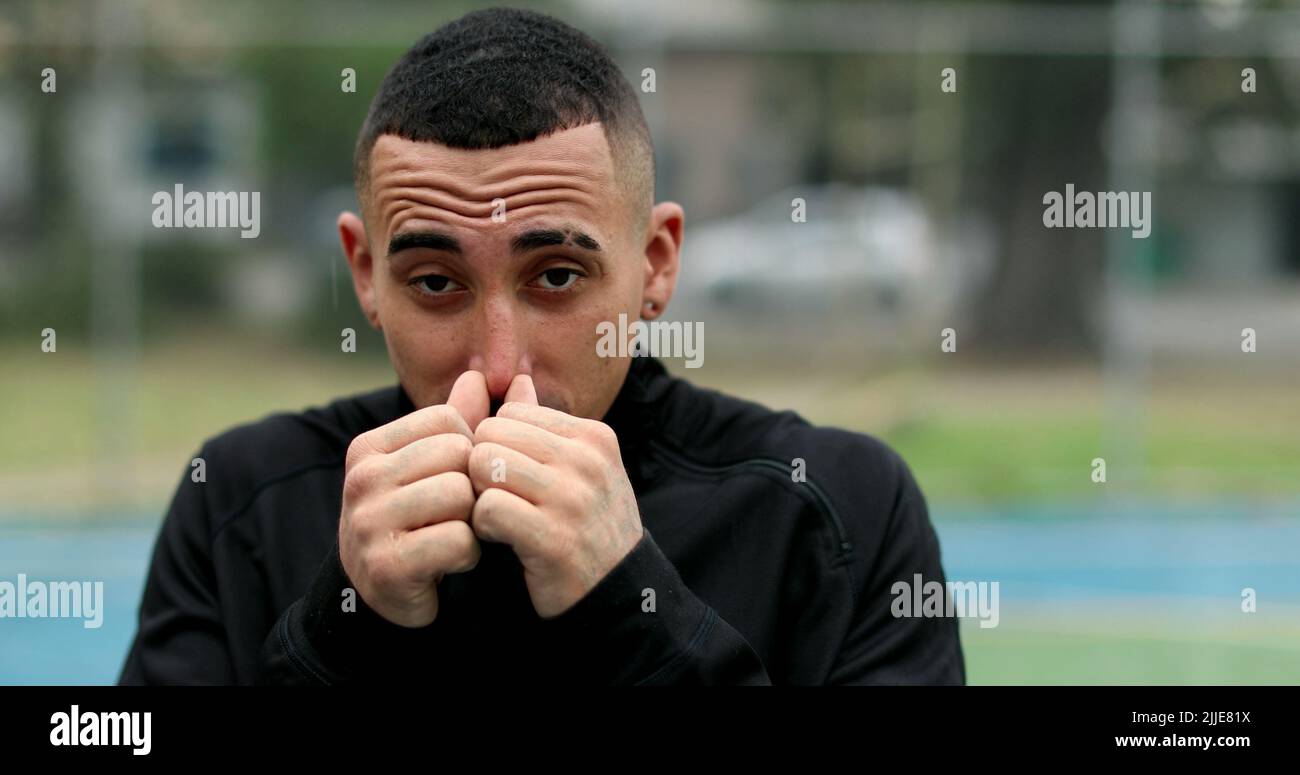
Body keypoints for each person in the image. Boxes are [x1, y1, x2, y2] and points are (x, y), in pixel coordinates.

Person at [119, 7, 965, 685]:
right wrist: (345, 623)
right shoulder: (241, 503)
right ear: (366, 273)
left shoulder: (832, 509)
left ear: (655, 265)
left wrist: (632, 606)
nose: (495, 364)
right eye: (436, 282)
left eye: (556, 276)